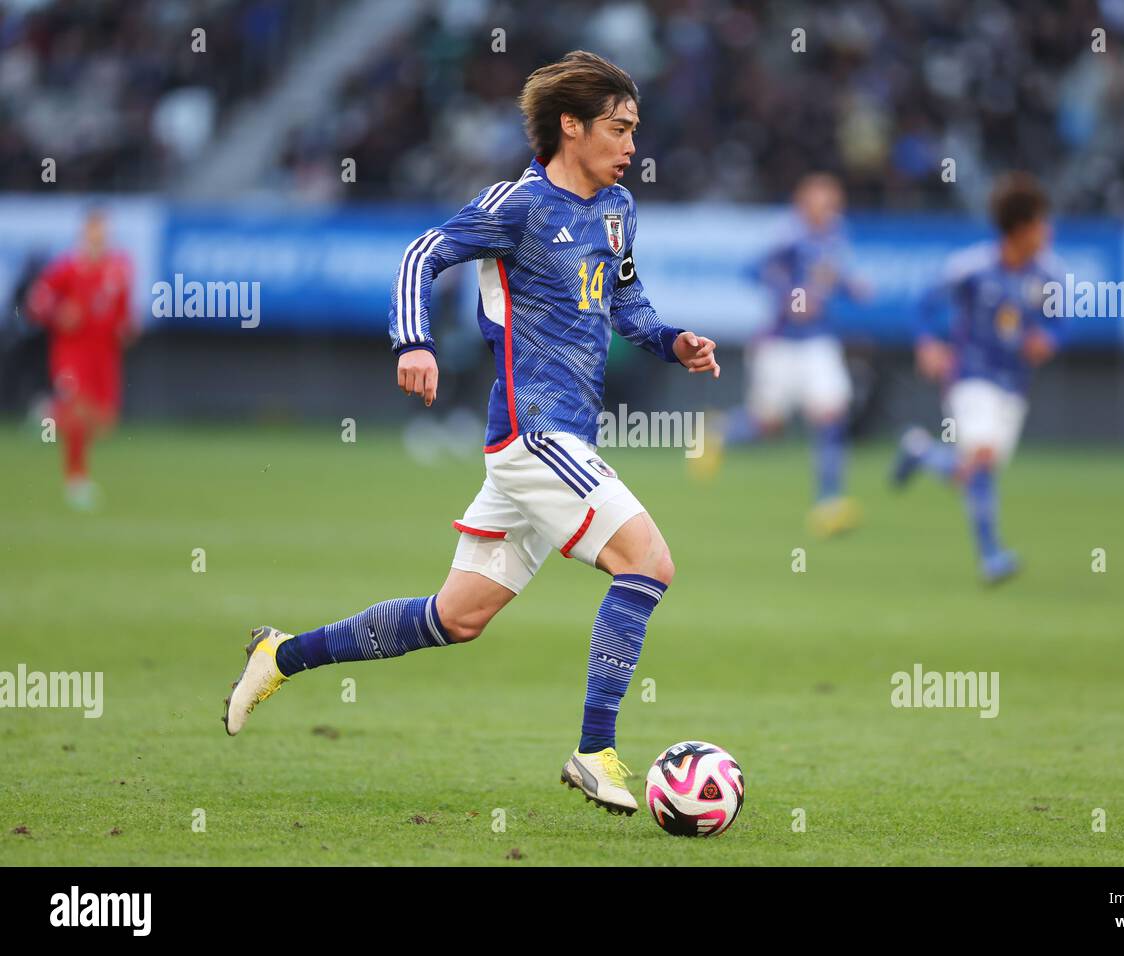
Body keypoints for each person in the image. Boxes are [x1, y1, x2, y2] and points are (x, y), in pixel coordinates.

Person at [223, 51, 721, 817]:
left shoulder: (618, 208)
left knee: (457, 618)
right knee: (648, 564)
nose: (631, 145)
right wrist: (412, 342)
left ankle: (280, 655)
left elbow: (626, 299)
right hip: (536, 435)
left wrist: (673, 339)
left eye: (634, 130)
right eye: (618, 129)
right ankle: (595, 751)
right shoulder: (518, 206)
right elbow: (423, 254)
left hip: (551, 442)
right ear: (571, 126)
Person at [891, 172, 1064, 584]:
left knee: (975, 469)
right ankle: (991, 556)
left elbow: (1060, 324)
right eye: (1041, 222)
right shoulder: (972, 268)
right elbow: (922, 305)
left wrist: (1049, 339)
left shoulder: (1049, 276)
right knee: (982, 457)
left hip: (1014, 385)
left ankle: (921, 453)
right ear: (1021, 228)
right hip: (970, 376)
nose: (1048, 230)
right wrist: (928, 343)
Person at [696, 173, 870, 537]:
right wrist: (792, 298)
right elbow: (754, 272)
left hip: (818, 342)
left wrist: (853, 288)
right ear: (803, 202)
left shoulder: (836, 235)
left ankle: (829, 503)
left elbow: (832, 277)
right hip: (779, 344)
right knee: (767, 425)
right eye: (822, 201)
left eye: (833, 202)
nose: (829, 208)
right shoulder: (788, 235)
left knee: (831, 414)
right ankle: (720, 432)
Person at [24, 210, 134, 510]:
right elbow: (37, 301)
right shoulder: (68, 269)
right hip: (72, 351)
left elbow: (123, 310)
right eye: (93, 231)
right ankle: (76, 480)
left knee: (105, 423)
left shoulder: (119, 268)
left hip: (104, 354)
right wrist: (58, 313)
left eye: (103, 231)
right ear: (85, 234)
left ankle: (48, 414)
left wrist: (125, 327)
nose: (99, 237)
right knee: (78, 412)